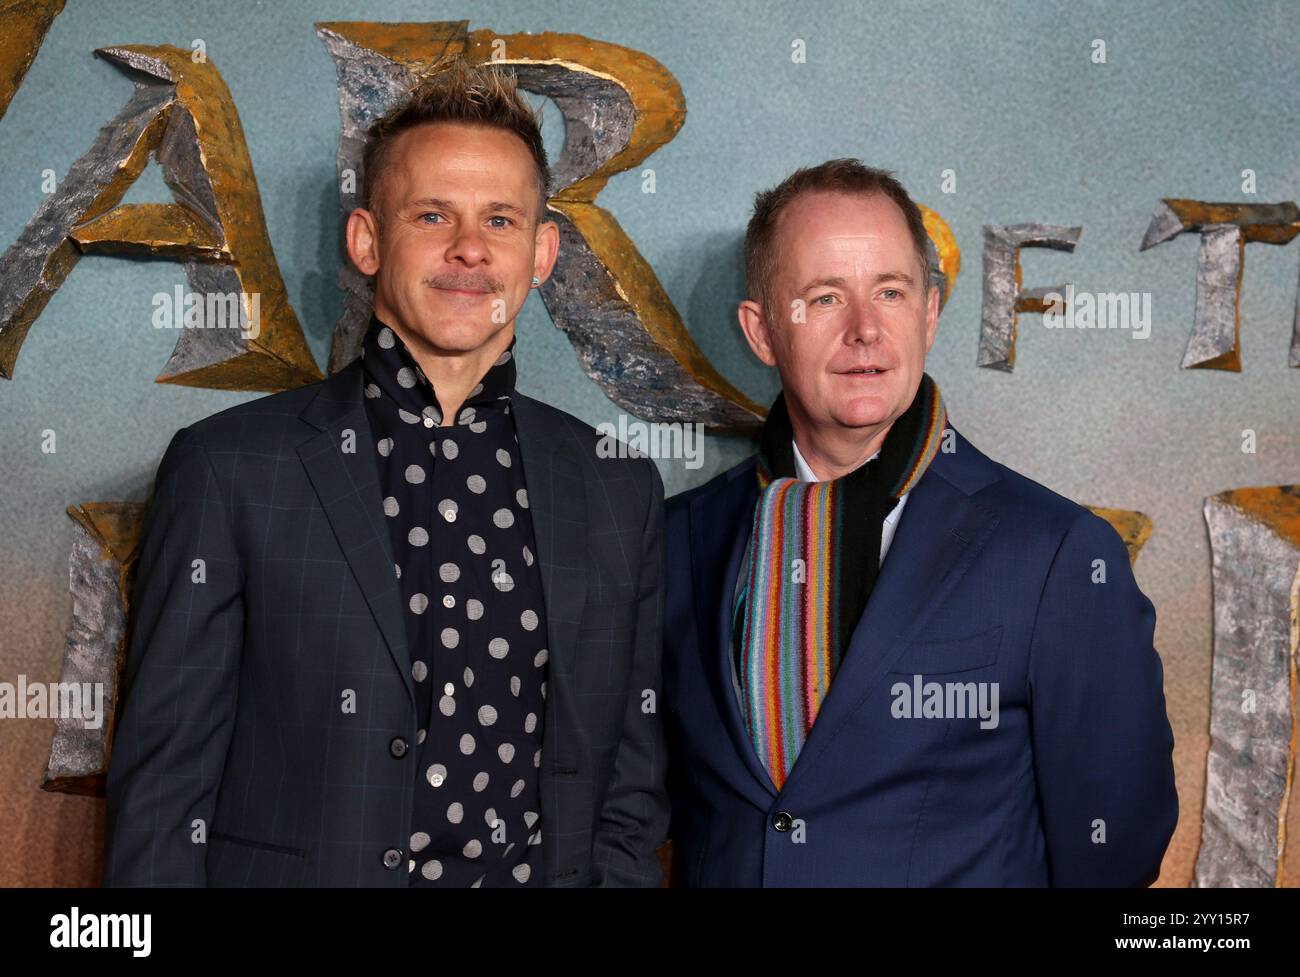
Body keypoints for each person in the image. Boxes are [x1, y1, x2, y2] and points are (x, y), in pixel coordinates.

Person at [104, 60, 668, 888]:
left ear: (543, 252)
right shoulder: (229, 470)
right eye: (433, 213)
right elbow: (163, 793)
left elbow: (626, 790)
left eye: (502, 220)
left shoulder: (618, 489)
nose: (470, 248)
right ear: (368, 240)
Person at [662, 159, 1177, 887]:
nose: (866, 330)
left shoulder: (1057, 553)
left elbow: (1115, 850)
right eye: (825, 297)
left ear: (929, 313)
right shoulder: (676, 540)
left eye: (891, 293)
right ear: (763, 331)